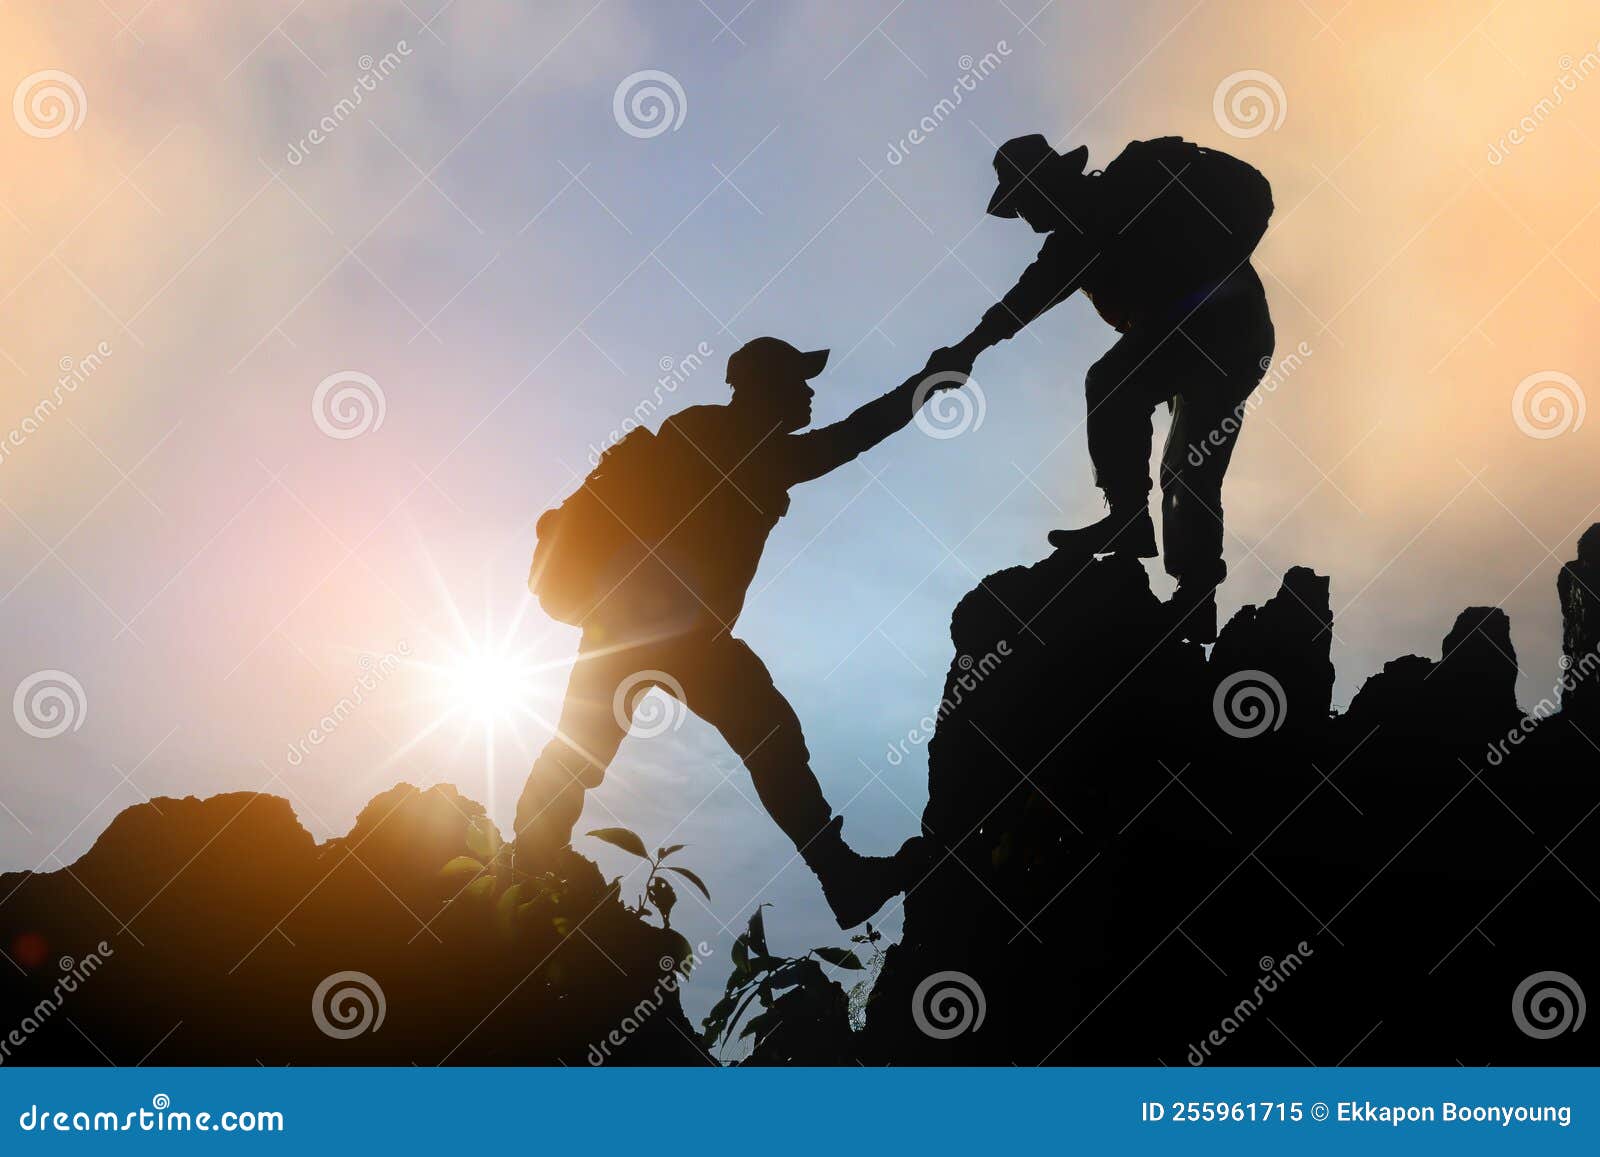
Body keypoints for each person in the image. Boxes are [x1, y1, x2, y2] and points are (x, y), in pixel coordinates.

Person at [515, 338, 971, 927]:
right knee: (745, 736)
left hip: (645, 631)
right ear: (763, 386)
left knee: (598, 749)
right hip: (655, 630)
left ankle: (526, 868)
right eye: (797, 381)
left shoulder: (716, 436)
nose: (808, 392)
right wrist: (928, 382)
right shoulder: (736, 442)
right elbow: (851, 436)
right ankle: (526, 870)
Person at [946, 134, 1276, 642]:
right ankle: (1193, 599)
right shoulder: (1079, 232)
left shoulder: (1115, 198)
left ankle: (1130, 523)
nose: (1026, 219)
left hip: (1215, 326)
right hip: (1229, 336)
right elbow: (1026, 298)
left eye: (1023, 202)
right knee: (1189, 466)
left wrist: (968, 349)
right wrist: (968, 348)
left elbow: (1025, 300)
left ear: (1046, 185)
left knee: (1116, 386)